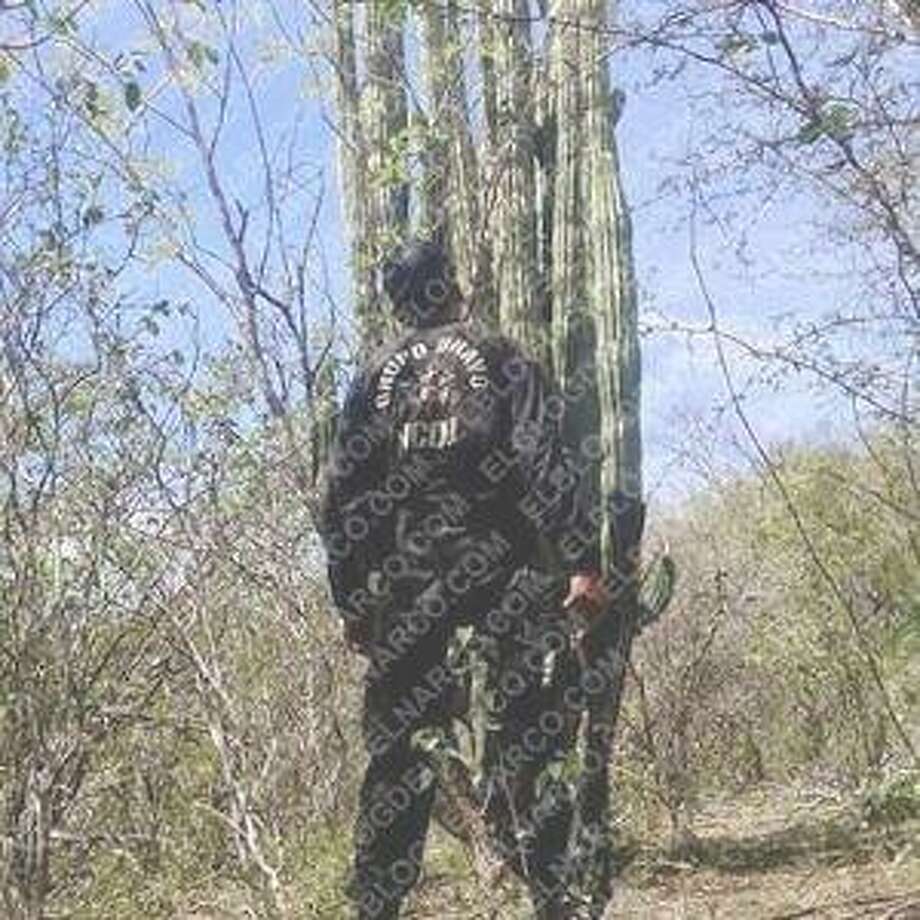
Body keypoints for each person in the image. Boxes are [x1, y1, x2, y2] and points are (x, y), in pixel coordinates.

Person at [319, 239, 606, 919]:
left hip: (408, 580)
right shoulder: (503, 355)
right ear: (451, 287)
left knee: (399, 752)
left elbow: (342, 498)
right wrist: (581, 561)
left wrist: (353, 598)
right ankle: (554, 901)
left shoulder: (369, 381)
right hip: (506, 568)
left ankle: (377, 907)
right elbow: (543, 460)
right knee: (528, 735)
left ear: (396, 303)